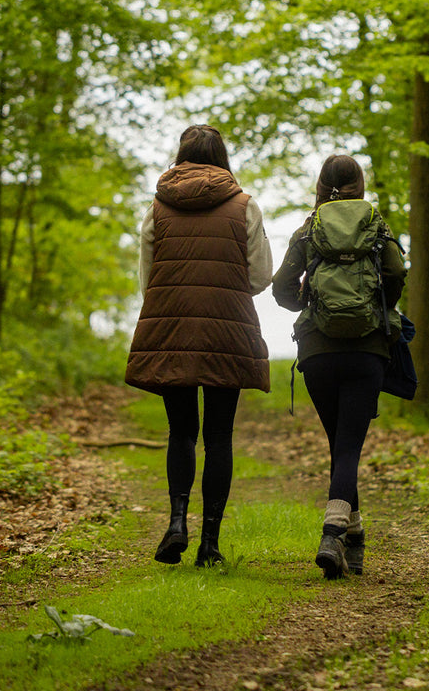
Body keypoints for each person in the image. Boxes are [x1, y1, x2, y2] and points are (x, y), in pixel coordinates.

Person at [126, 124, 272, 568]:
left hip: (172, 327)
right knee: (219, 434)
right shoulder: (245, 207)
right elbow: (261, 275)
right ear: (222, 157)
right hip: (227, 329)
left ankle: (175, 523)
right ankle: (209, 543)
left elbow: (147, 275)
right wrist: (226, 286)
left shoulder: (158, 208)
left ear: (181, 156)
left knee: (181, 430)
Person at [272, 154, 406, 579]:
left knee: (340, 442)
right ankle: (337, 533)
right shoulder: (376, 223)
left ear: (321, 184)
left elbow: (280, 286)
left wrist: (308, 303)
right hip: (368, 349)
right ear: (360, 184)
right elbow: (397, 272)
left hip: (319, 349)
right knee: (347, 444)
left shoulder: (309, 226)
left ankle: (352, 535)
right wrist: (378, 305)